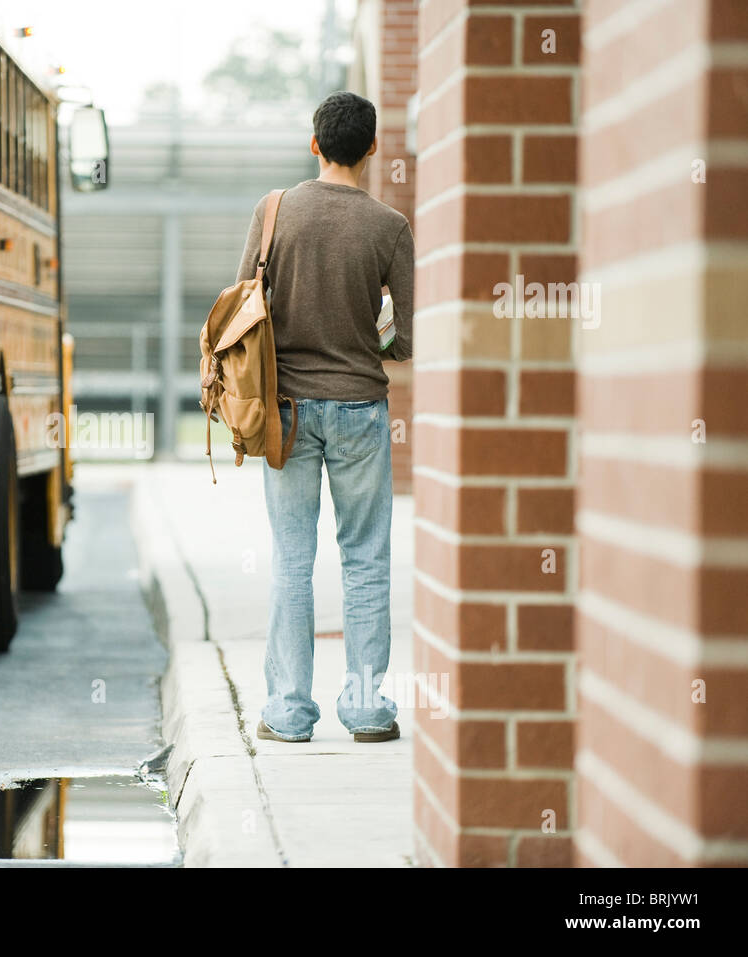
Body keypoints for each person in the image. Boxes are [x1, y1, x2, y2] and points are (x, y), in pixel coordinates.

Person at [235, 91, 414, 744]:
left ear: (315, 145)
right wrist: (377, 332)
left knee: (291, 559)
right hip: (362, 411)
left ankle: (288, 711)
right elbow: (408, 339)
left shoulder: (274, 211)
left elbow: (243, 312)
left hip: (286, 414)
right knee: (366, 559)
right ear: (371, 148)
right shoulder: (389, 227)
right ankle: (367, 709)